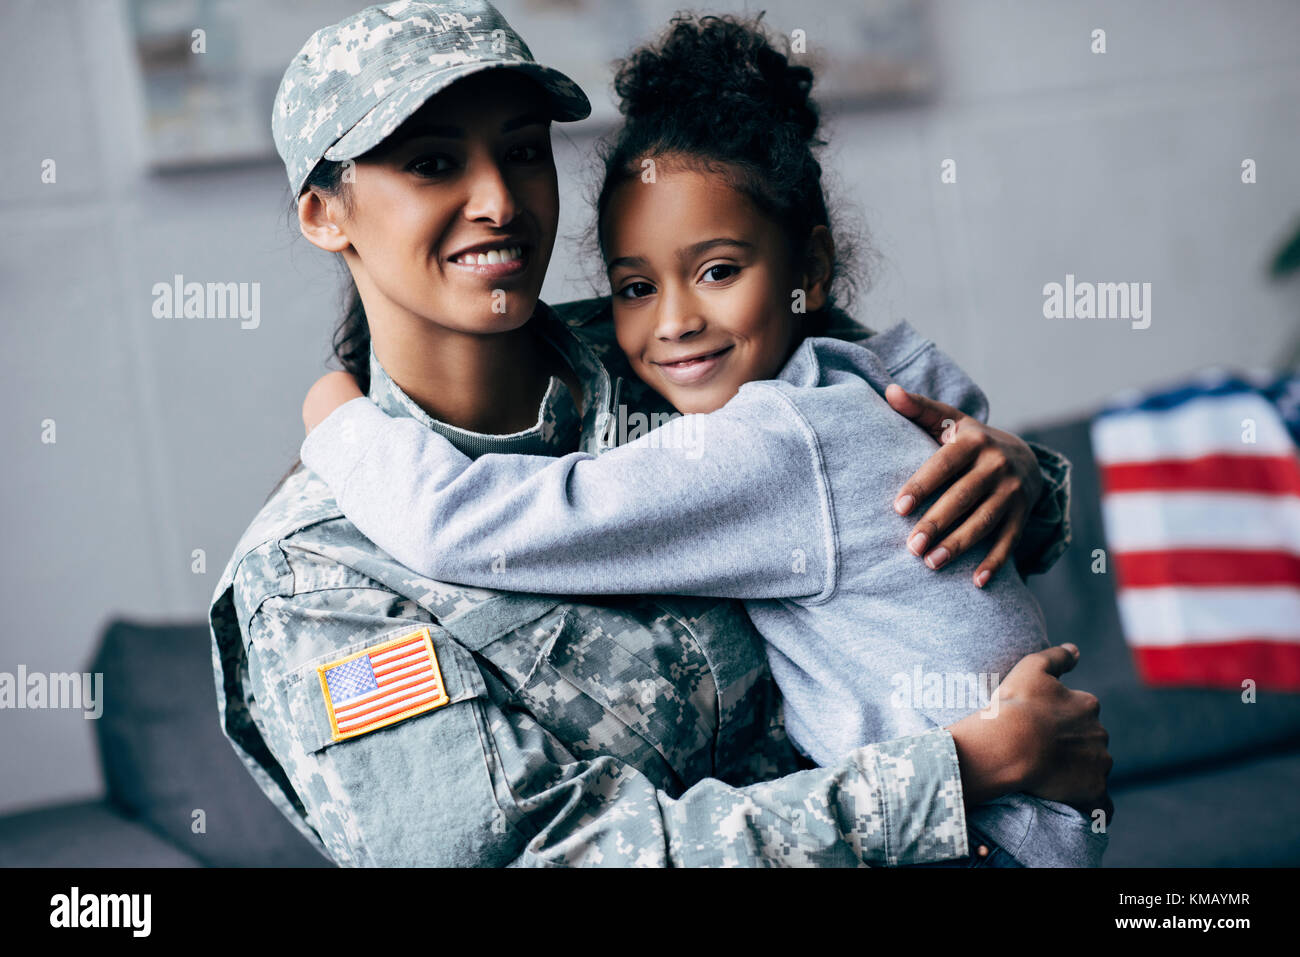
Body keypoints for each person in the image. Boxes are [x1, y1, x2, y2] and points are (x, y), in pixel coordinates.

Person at [209, 0, 1111, 866]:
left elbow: (907, 496)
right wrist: (952, 773)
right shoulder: (318, 573)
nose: (497, 198)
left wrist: (1019, 476)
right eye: (433, 164)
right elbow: (538, 859)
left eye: (523, 151)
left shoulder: (664, 342)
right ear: (325, 212)